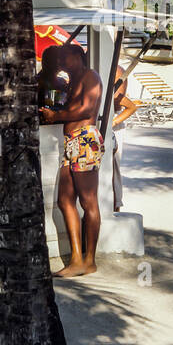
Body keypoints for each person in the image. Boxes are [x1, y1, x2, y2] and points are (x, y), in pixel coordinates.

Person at [39, 43, 103, 278]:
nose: (62, 63)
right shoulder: (75, 80)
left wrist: (57, 115)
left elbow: (86, 110)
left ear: (78, 57)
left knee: (88, 202)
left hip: (85, 139)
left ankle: (90, 260)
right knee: (64, 200)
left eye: (66, 58)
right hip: (71, 143)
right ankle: (76, 258)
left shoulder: (91, 77)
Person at [110, 64, 143, 212]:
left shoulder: (117, 71)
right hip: (109, 123)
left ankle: (115, 205)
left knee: (113, 168)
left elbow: (125, 103)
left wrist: (114, 122)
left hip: (113, 124)